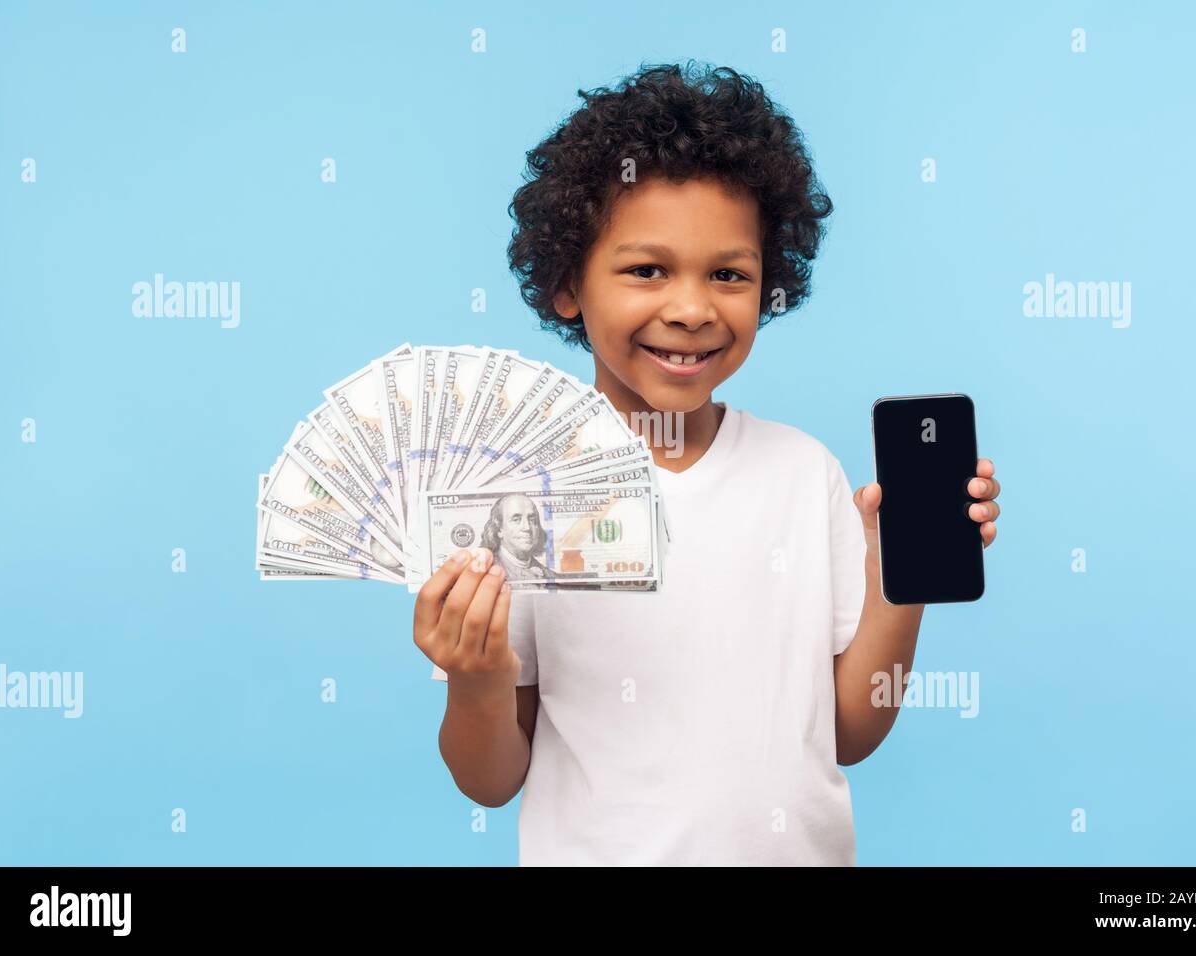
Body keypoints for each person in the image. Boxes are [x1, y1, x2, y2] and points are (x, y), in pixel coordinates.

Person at [415, 61, 1003, 865]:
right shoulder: (514, 502)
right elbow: (488, 779)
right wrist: (476, 677)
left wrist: (897, 575)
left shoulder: (805, 473)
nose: (691, 309)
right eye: (646, 270)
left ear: (769, 287)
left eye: (729, 274)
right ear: (566, 285)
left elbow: (851, 731)